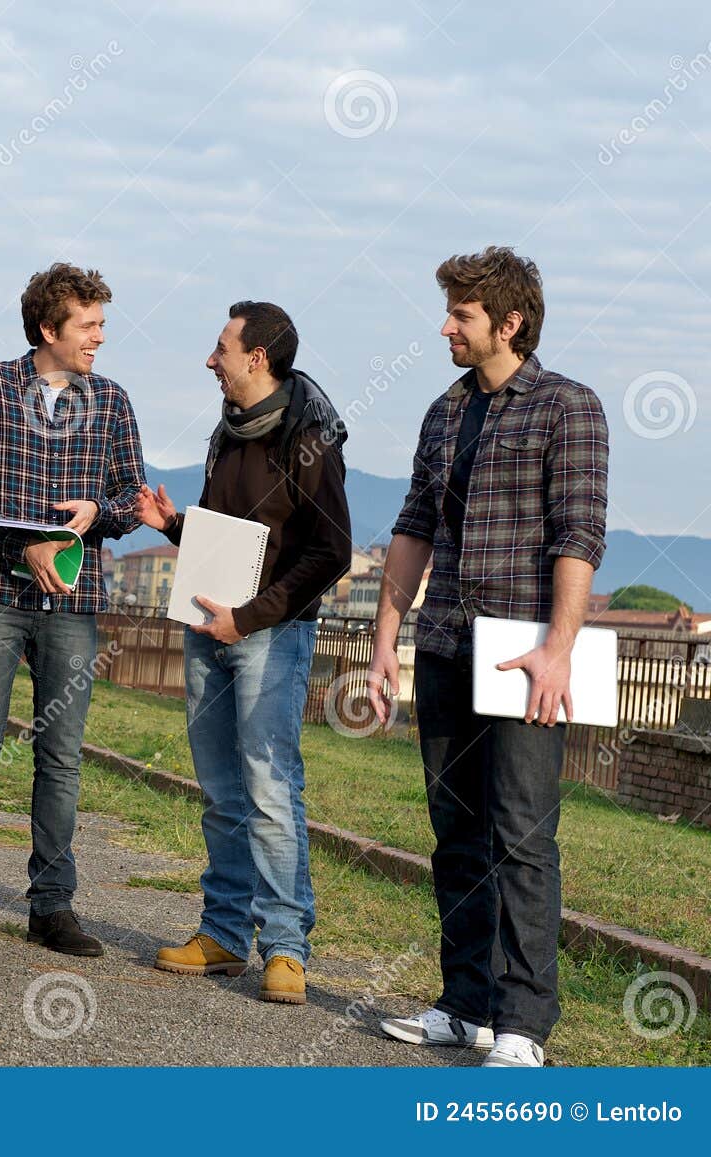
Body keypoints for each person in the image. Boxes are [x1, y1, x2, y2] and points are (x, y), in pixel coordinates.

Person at [371, 248, 608, 1068]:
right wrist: (382, 648)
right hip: (442, 645)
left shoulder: (568, 408)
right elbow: (413, 528)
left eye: (462, 314)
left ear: (509, 322)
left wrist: (558, 650)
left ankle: (523, 1024)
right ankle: (464, 1002)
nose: (446, 326)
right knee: (456, 832)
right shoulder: (444, 411)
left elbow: (579, 535)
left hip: (521, 656)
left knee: (520, 834)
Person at [0, 263, 145, 957]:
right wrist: (27, 550)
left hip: (73, 602)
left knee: (62, 756)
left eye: (101, 323)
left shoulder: (111, 401)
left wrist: (95, 513)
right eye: (88, 324)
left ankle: (52, 906)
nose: (99, 337)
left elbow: (132, 498)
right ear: (49, 329)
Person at [137, 301, 350, 1005]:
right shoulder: (226, 433)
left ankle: (285, 947)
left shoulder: (309, 436)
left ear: (257, 356)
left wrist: (249, 619)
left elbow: (330, 553)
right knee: (222, 792)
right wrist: (174, 525)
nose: (211, 358)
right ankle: (224, 934)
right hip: (208, 631)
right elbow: (229, 543)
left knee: (268, 789)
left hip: (270, 636)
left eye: (221, 346)